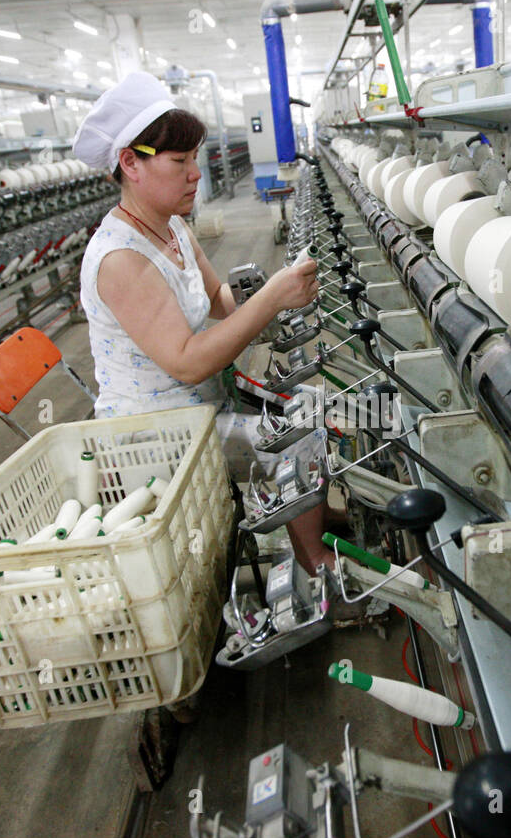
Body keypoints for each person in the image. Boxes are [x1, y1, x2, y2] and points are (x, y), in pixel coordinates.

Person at [72, 72, 335, 576]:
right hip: (158, 434)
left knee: (307, 408)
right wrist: (271, 301)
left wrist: (268, 299)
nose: (197, 173)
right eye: (180, 161)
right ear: (130, 162)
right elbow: (188, 363)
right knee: (300, 438)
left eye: (196, 158)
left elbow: (217, 298)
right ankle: (316, 567)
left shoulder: (171, 226)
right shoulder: (120, 258)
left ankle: (313, 515)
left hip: (198, 409)